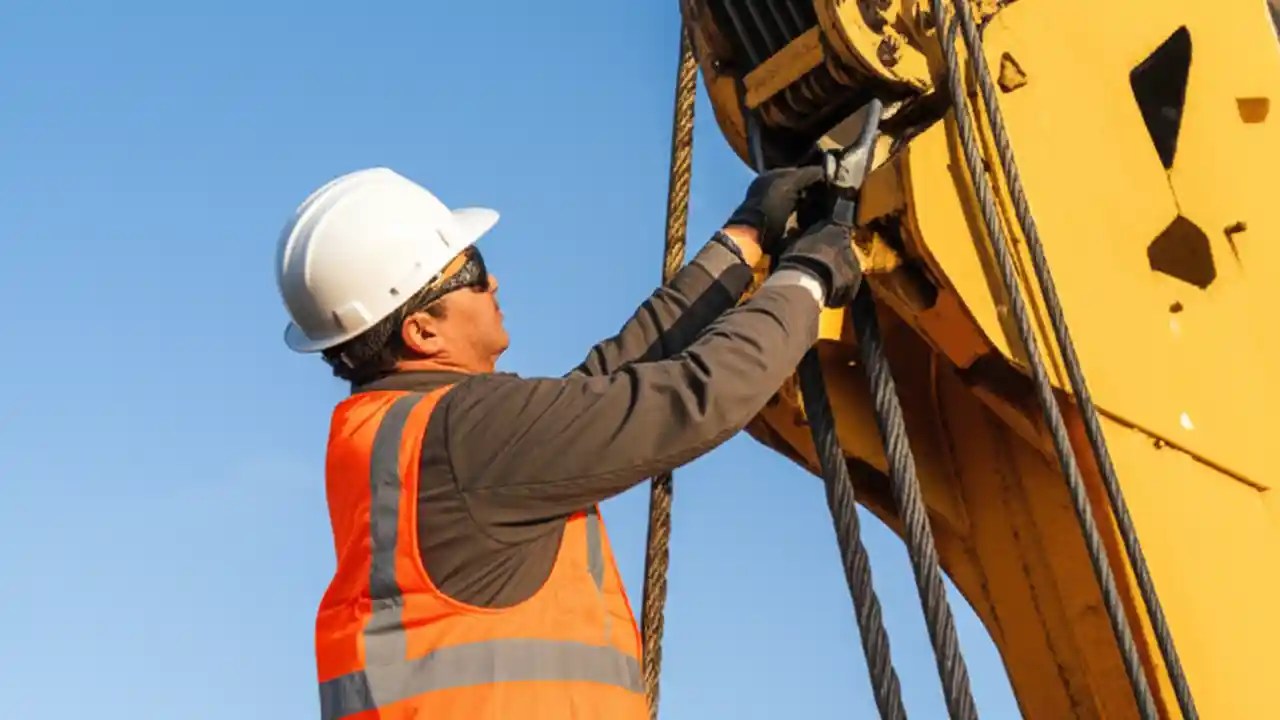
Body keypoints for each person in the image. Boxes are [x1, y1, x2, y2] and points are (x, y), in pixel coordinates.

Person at [275, 165, 862, 719]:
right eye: (472, 271)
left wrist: (744, 239)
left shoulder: (394, 435)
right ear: (421, 330)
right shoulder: (466, 434)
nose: (493, 281)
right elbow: (694, 396)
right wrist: (806, 280)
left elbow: (601, 387)